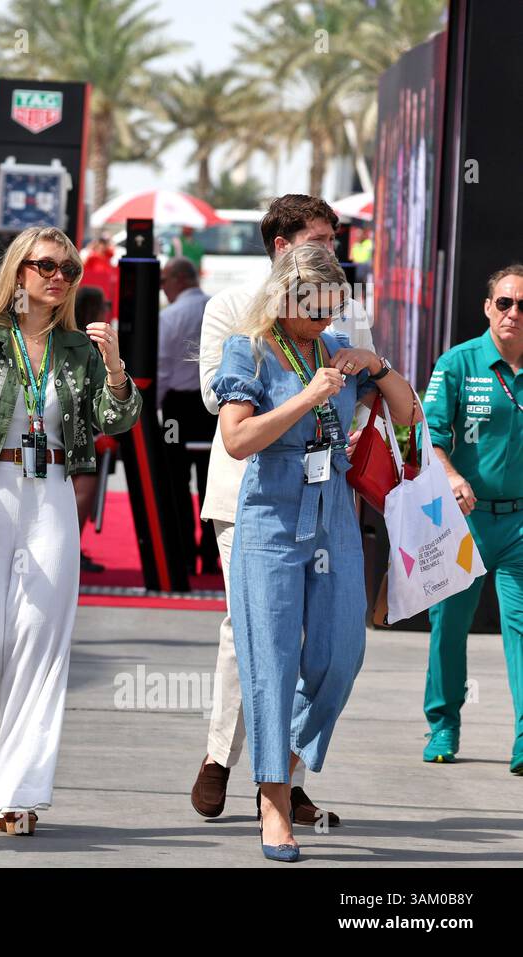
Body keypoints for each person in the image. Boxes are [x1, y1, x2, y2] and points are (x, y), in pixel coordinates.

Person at [0, 226, 141, 834]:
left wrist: (117, 369)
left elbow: (114, 422)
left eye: (68, 269)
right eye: (45, 266)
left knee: (41, 644)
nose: (57, 277)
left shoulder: (79, 350)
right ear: (19, 272)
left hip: (53, 495)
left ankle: (15, 792)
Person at [212, 243, 418, 861]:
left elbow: (407, 416)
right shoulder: (248, 350)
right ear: (283, 298)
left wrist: (376, 367)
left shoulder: (335, 352)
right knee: (270, 662)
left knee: (342, 655)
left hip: (333, 516)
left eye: (333, 310)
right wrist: (306, 398)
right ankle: (274, 801)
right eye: (314, 310)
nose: (324, 322)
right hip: (270, 513)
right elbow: (237, 440)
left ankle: (288, 752)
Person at [190, 193, 374, 823]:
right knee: (251, 638)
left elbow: (363, 391)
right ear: (281, 246)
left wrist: (351, 419)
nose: (330, 250)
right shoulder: (232, 310)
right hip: (251, 493)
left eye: (333, 239)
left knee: (321, 642)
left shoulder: (341, 306)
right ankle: (222, 756)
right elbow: (225, 409)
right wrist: (302, 401)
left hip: (324, 497)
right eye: (318, 239)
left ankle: (285, 777)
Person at [421, 264, 523, 773]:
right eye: (504, 303)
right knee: (448, 626)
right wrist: (453, 476)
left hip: (521, 526)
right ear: (488, 307)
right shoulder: (458, 363)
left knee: (521, 629)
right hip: (465, 520)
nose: (514, 313)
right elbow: (429, 436)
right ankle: (443, 724)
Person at [157, 256, 218, 574]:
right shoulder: (215, 309)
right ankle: (210, 554)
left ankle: (180, 550)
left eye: (164, 282)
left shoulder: (170, 317)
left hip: (177, 409)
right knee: (212, 481)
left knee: (175, 482)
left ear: (179, 279)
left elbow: (162, 370)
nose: (163, 289)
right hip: (212, 406)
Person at [72, 286, 107, 574]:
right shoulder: (91, 343)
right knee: (84, 487)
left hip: (75, 426)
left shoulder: (71, 339)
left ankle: (70, 545)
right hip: (84, 428)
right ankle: (71, 545)